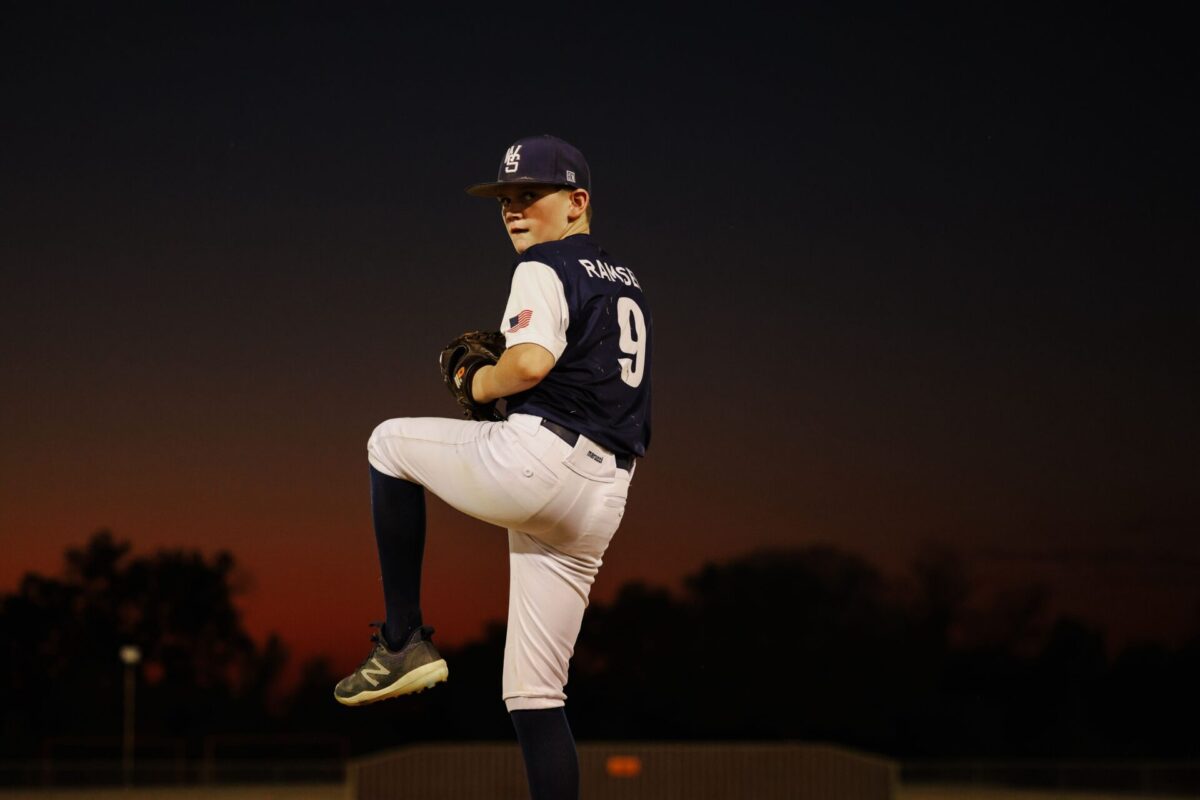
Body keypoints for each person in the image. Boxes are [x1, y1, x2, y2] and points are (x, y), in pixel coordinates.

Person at [334, 134, 652, 800]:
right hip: (604, 495)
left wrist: (479, 381)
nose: (514, 209)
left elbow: (530, 363)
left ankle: (400, 642)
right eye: (506, 198)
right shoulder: (624, 279)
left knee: (387, 442)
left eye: (530, 195)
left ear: (577, 201)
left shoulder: (544, 264)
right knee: (534, 694)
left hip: (542, 463)